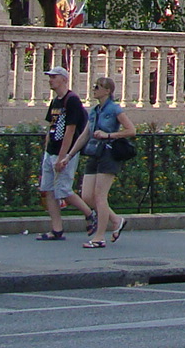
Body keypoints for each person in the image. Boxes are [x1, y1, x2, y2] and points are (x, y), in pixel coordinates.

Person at [79, 76, 136, 248]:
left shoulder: (114, 109)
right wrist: (69, 155)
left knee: (100, 196)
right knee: (87, 195)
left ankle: (99, 237)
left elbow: (131, 130)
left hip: (109, 154)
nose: (94, 88)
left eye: (98, 86)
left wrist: (109, 135)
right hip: (94, 151)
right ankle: (116, 220)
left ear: (107, 91)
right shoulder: (95, 110)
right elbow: (85, 134)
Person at [37, 66, 91, 240]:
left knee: (63, 189)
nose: (50, 80)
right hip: (51, 150)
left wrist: (63, 156)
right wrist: (47, 149)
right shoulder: (55, 101)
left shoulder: (72, 100)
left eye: (54, 77)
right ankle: (57, 229)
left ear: (64, 79)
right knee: (49, 190)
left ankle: (90, 214)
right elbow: (51, 126)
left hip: (65, 152)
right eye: (50, 77)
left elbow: (70, 130)